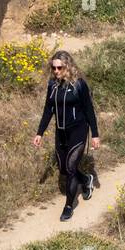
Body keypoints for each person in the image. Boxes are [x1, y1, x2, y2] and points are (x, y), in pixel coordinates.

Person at [33, 51, 101, 222]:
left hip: (78, 130)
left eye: (59, 67)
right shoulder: (52, 85)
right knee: (63, 169)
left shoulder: (79, 85)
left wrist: (95, 134)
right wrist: (39, 133)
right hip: (61, 132)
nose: (56, 71)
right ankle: (86, 179)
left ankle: (68, 206)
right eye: (53, 67)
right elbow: (48, 110)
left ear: (67, 66)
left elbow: (89, 110)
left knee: (71, 167)